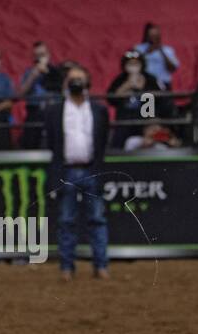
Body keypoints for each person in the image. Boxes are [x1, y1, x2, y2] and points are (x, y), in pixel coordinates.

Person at [43, 64, 111, 281]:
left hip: (92, 169)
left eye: (80, 78)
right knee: (66, 221)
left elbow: (102, 141)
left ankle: (101, 266)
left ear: (88, 83)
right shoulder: (55, 111)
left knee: (97, 219)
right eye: (72, 79)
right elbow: (52, 143)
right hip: (66, 171)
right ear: (65, 83)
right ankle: (66, 267)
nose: (76, 83)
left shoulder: (99, 110)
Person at [105, 49, 166, 148]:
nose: (133, 66)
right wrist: (127, 85)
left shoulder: (150, 78)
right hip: (124, 120)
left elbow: (161, 97)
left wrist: (142, 88)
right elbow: (111, 98)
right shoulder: (120, 79)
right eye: (130, 63)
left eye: (136, 63)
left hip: (146, 119)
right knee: (118, 143)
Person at [18, 40, 62, 148]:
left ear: (48, 55)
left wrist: (48, 72)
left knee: (55, 144)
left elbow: (62, 89)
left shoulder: (57, 72)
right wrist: (33, 75)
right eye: (37, 55)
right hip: (34, 112)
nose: (40, 58)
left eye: (42, 54)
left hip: (54, 112)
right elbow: (20, 94)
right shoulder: (29, 73)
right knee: (31, 144)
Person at [135, 22, 179, 90]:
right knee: (148, 100)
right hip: (145, 85)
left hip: (163, 84)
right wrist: (148, 51)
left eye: (156, 35)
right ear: (147, 36)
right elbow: (132, 64)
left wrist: (161, 51)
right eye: (151, 36)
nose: (153, 38)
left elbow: (173, 68)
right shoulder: (139, 49)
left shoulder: (168, 50)